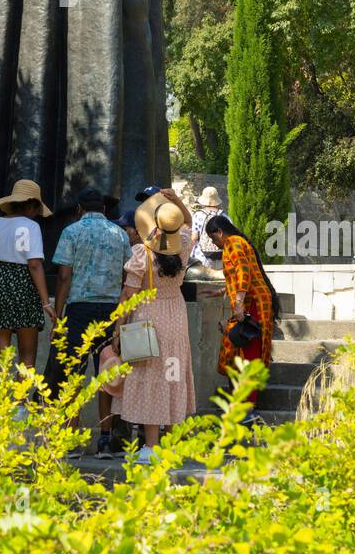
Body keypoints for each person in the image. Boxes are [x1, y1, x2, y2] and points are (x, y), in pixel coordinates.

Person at [113, 188, 196, 464]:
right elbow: (189, 223)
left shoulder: (142, 252)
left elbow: (129, 294)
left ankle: (150, 446)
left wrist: (117, 328)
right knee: (173, 374)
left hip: (149, 316)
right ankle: (171, 443)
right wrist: (178, 202)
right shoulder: (183, 245)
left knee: (150, 377)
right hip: (177, 314)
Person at [53, 187, 132, 457]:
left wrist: (58, 313)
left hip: (79, 310)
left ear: (79, 209)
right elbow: (126, 277)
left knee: (73, 375)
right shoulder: (119, 234)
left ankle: (72, 440)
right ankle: (105, 440)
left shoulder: (71, 232)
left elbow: (64, 276)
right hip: (110, 311)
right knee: (107, 376)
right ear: (105, 210)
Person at [0, 179, 55, 368]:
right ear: (32, 205)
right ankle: (21, 398)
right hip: (25, 289)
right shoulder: (31, 227)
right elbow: (34, 264)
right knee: (27, 355)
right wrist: (46, 301)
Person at [204, 214, 280, 407]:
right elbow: (239, 276)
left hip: (253, 304)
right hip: (251, 301)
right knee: (235, 354)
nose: (214, 244)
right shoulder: (236, 242)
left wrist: (238, 303)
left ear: (219, 232)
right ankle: (242, 403)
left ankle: (247, 407)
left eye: (213, 239)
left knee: (248, 355)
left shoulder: (233, 243)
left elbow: (243, 273)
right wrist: (221, 290)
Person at [190, 185, 225, 268]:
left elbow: (194, 237)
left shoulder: (198, 215)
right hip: (221, 256)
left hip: (202, 257)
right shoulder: (224, 216)